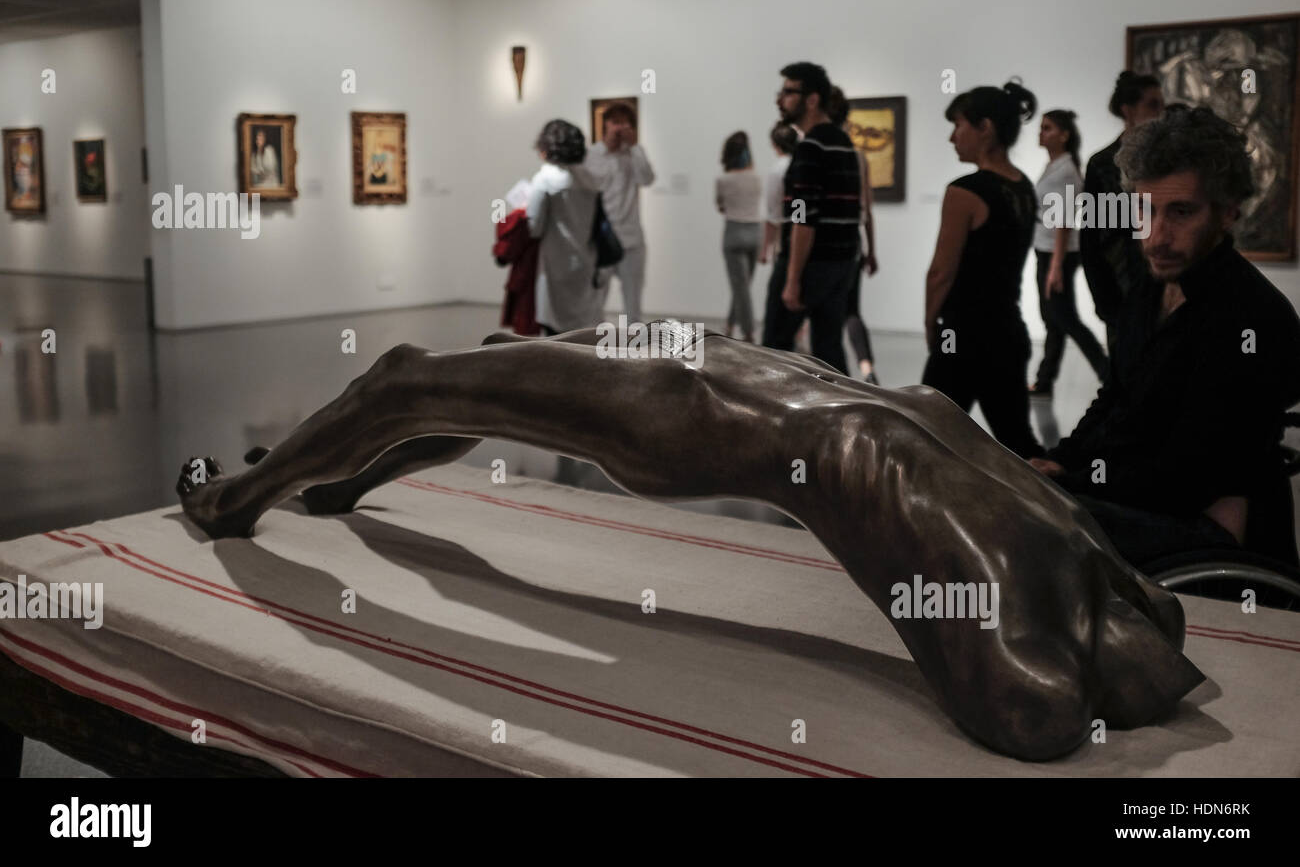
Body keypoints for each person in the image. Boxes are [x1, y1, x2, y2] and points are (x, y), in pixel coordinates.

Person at [178, 323, 1201, 763]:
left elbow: (1035, 717)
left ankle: (250, 497)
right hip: (698, 374)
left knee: (414, 375)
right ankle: (280, 488)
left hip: (696, 395)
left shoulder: (1031, 548)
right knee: (461, 364)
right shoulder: (1049, 543)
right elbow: (1062, 694)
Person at [1030, 106, 1300, 567]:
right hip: (1145, 500)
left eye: (1180, 212)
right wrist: (1060, 459)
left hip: (1208, 539)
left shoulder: (1253, 318)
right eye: (1144, 210)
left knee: (1025, 524)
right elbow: (1116, 395)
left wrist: (1071, 481)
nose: (1156, 237)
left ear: (1228, 212)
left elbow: (1184, 475)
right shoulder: (1148, 288)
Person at [921, 80, 1043, 459]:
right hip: (1007, 331)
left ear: (985, 128)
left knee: (928, 440)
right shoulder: (1023, 186)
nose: (952, 137)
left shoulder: (965, 191)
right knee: (1020, 443)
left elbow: (941, 272)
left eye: (958, 126)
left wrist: (930, 325)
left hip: (964, 335)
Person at [761, 62, 861, 375]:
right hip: (840, 264)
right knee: (829, 351)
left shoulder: (810, 147)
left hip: (810, 266)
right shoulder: (843, 143)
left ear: (812, 99)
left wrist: (792, 280)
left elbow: (804, 217)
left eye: (789, 92)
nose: (781, 100)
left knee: (774, 351)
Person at [1081, 71, 1164, 348]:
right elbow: (1091, 238)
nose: (1160, 113)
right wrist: (1103, 300)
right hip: (1123, 292)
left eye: (1161, 105)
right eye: (1152, 105)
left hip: (1166, 289)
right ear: (1128, 110)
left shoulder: (1170, 161)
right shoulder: (1104, 164)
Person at [1028, 110, 1109, 396]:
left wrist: (1055, 267)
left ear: (1064, 135)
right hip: (1048, 249)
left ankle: (1107, 373)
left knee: (1065, 318)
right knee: (1055, 319)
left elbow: (1062, 221)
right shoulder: (1057, 165)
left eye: (1048, 128)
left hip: (1055, 253)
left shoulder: (1064, 171)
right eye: (1041, 127)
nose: (1041, 132)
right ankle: (1045, 380)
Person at [526, 120, 604, 335]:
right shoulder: (589, 179)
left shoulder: (544, 179)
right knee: (585, 331)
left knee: (555, 333)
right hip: (586, 260)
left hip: (555, 264)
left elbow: (535, 227)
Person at [826, 87, 880, 384]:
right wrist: (871, 250)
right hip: (853, 244)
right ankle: (867, 368)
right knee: (851, 311)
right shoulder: (859, 157)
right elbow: (867, 210)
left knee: (827, 317)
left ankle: (838, 380)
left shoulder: (816, 151)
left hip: (825, 247)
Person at [586, 102, 655, 321]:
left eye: (624, 123)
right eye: (615, 122)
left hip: (631, 239)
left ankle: (634, 351)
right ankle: (592, 348)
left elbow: (647, 178)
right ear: (606, 124)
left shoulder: (633, 154)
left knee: (633, 303)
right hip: (600, 240)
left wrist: (635, 147)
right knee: (594, 301)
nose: (619, 127)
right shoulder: (591, 155)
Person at [715, 132, 763, 342]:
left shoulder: (723, 180)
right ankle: (729, 324)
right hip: (756, 233)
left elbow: (720, 205)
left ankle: (749, 332)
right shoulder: (756, 178)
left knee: (740, 287)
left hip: (734, 233)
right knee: (742, 286)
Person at [760, 122, 798, 265]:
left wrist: (765, 249)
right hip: (804, 231)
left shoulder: (776, 170)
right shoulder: (802, 165)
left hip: (785, 234)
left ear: (775, 145)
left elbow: (772, 213)